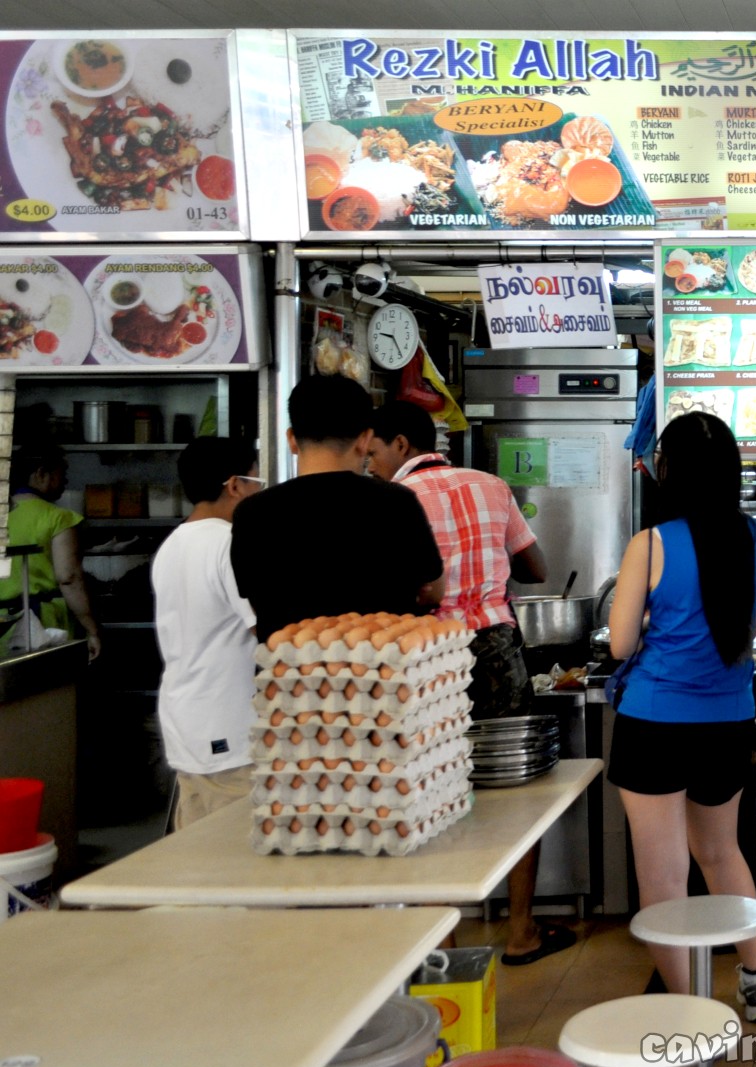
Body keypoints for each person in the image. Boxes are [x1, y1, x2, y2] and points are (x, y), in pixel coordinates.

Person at [368, 400, 576, 967]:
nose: (371, 462)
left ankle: (445, 945)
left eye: (375, 451)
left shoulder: (393, 500)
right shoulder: (491, 485)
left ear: (402, 445)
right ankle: (522, 931)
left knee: (427, 787)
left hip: (427, 656)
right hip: (496, 650)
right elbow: (536, 568)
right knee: (517, 789)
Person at [606, 410, 756, 1020]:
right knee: (722, 851)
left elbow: (620, 645)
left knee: (663, 872)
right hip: (728, 718)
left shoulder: (650, 544)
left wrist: (655, 620)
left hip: (653, 722)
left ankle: (685, 1005)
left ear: (669, 471)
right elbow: (754, 627)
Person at [230, 374, 444, 642]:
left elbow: (252, 598)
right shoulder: (398, 502)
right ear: (365, 440)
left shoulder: (252, 512)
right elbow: (434, 590)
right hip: (383, 663)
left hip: (289, 665)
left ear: (292, 439)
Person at [152, 437, 264, 830]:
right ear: (234, 486)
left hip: (185, 721)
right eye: (257, 481)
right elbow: (265, 628)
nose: (259, 492)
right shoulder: (228, 543)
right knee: (234, 848)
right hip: (226, 729)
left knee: (195, 851)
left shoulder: (173, 544)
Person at [0, 442, 101, 660]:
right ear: (41, 474)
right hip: (43, 627)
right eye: (62, 472)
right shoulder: (59, 518)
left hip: (3, 626)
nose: (65, 480)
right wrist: (92, 630)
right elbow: (69, 578)